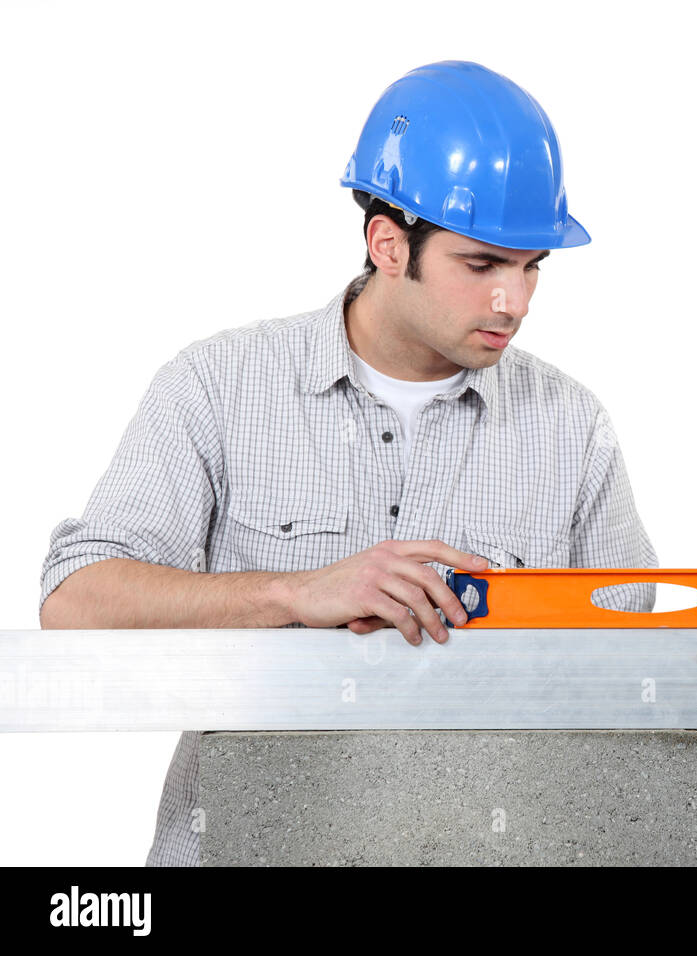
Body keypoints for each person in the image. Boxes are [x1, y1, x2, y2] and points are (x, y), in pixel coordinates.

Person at [38, 60, 657, 865]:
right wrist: (296, 594)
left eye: (531, 266)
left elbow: (642, 668)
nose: (516, 301)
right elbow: (76, 603)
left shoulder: (570, 429)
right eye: (482, 265)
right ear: (388, 244)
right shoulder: (220, 387)